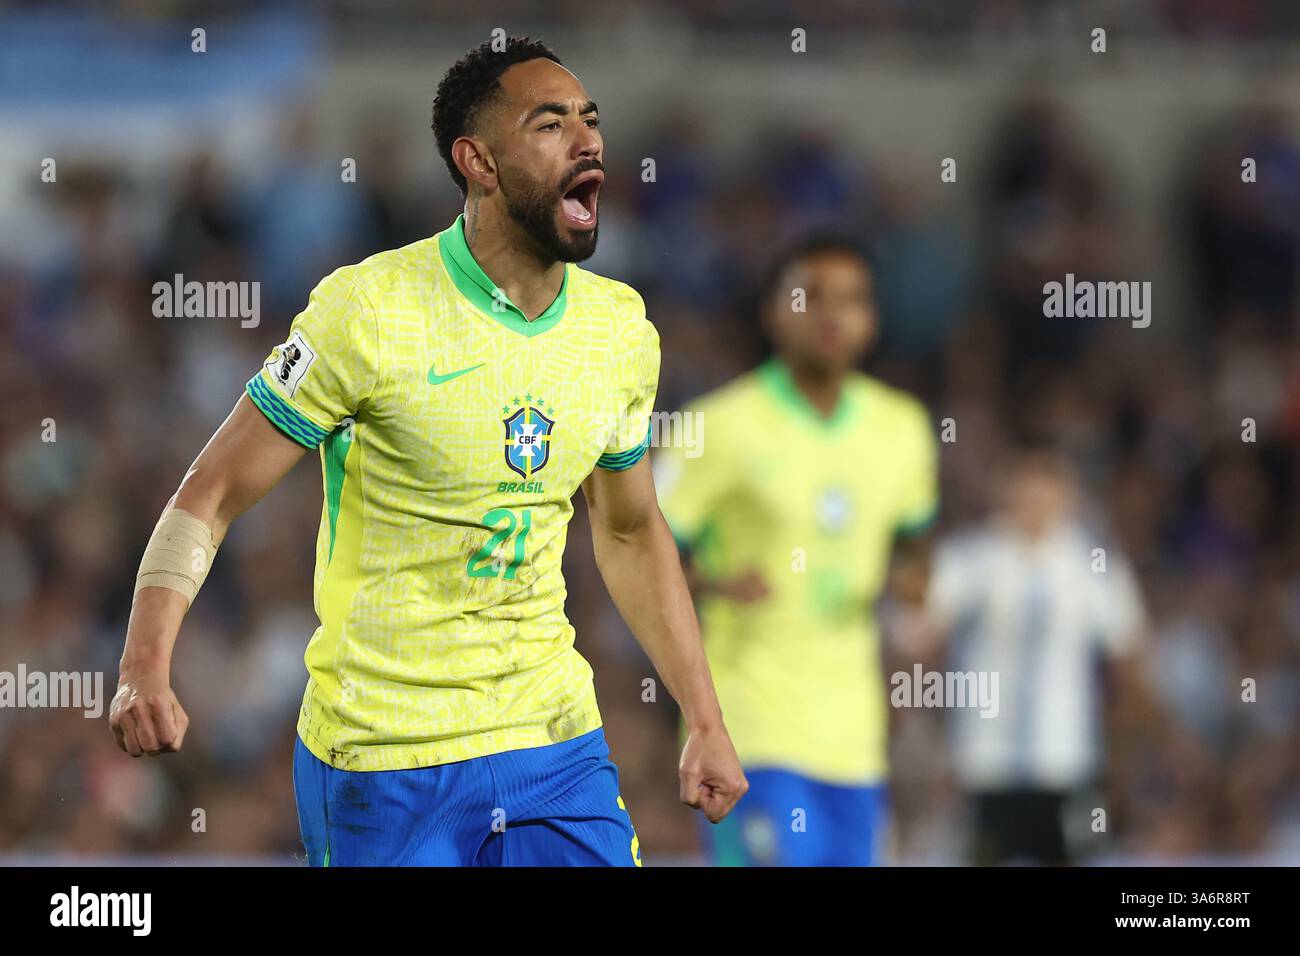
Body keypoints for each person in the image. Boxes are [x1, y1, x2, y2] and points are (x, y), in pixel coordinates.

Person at [109, 36, 746, 867]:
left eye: (590, 121)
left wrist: (704, 718)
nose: (587, 141)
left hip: (550, 741)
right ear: (477, 161)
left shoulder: (620, 330)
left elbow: (629, 531)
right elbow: (212, 493)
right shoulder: (368, 311)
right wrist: (143, 665)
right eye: (549, 125)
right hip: (380, 761)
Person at [654, 232, 938, 865]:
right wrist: (712, 583)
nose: (833, 314)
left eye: (853, 299)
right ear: (774, 311)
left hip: (853, 740)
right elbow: (640, 550)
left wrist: (914, 589)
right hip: (747, 726)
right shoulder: (717, 427)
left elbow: (915, 544)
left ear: (873, 317)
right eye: (812, 296)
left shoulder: (904, 431)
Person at [925, 445, 1147, 864]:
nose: (1034, 508)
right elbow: (921, 634)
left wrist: (1120, 753)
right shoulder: (972, 556)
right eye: (1023, 496)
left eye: (1045, 496)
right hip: (985, 761)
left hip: (1063, 759)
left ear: (1067, 499)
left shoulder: (1092, 563)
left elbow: (1127, 653)